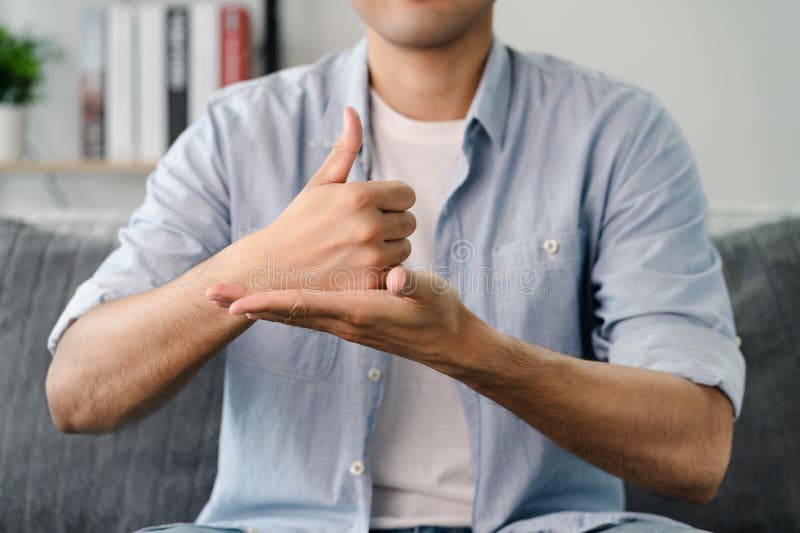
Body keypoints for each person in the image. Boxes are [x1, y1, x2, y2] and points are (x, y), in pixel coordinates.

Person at [45, 1, 745, 532]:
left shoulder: (621, 135)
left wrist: (474, 352)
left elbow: (697, 449)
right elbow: (77, 392)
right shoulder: (235, 132)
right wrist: (262, 262)